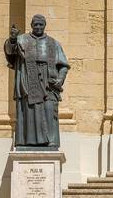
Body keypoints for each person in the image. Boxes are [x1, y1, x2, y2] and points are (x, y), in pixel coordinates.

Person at [4, 14, 70, 149]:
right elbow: (10, 53)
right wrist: (12, 39)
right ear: (31, 25)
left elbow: (63, 65)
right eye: (36, 24)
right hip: (29, 79)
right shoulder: (22, 40)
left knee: (49, 109)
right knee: (29, 111)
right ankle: (28, 141)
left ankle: (51, 140)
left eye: (41, 24)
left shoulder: (54, 43)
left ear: (45, 26)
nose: (38, 27)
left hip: (49, 82)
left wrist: (60, 79)